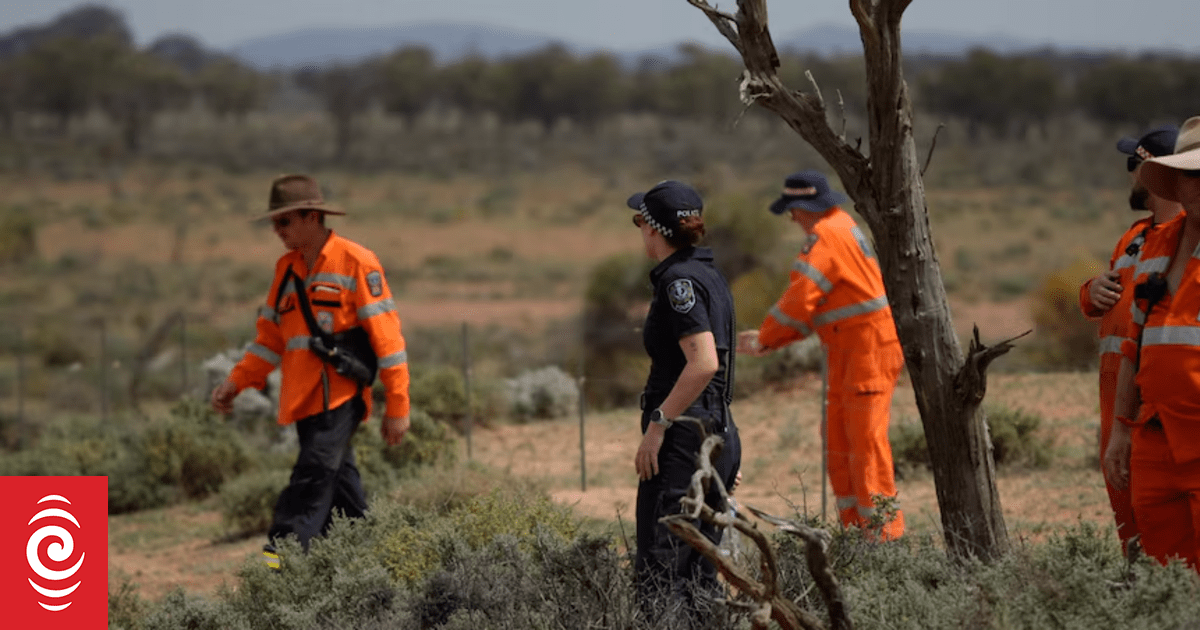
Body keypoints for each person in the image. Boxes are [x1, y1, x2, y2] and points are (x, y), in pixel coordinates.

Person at [211, 174, 411, 568]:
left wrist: (398, 407)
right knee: (342, 492)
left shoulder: (357, 262)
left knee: (311, 478)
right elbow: (269, 341)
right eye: (274, 223)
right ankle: (372, 567)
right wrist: (235, 383)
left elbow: (389, 343)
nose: (277, 230)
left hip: (340, 397)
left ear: (311, 217)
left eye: (284, 221)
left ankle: (280, 562)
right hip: (302, 403)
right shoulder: (284, 271)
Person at [737, 170, 904, 540]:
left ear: (801, 207)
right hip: (853, 350)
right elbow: (814, 310)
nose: (791, 219)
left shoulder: (825, 237)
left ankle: (884, 545)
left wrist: (766, 337)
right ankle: (858, 538)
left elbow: (801, 299)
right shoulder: (840, 226)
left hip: (867, 351)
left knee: (865, 451)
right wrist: (771, 340)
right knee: (842, 446)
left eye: (791, 211)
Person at [628, 180, 742, 624]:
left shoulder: (679, 282)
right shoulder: (710, 275)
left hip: (683, 442)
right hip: (714, 433)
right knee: (700, 573)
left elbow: (703, 363)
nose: (639, 231)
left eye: (640, 222)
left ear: (654, 230)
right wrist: (723, 443)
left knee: (661, 567)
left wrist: (658, 426)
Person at [1078, 124, 1181, 555]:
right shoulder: (1135, 237)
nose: (1128, 176)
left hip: (1154, 398)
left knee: (1162, 510)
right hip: (1115, 393)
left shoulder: (1185, 237)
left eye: (1132, 165)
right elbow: (1109, 297)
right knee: (1126, 502)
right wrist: (1092, 291)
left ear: (1152, 172)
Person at [1105, 115, 1200, 571]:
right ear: (1175, 185)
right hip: (1154, 439)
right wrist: (1121, 429)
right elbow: (1133, 345)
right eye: (1191, 174)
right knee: (1166, 578)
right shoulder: (1155, 244)